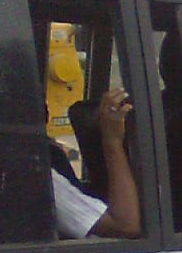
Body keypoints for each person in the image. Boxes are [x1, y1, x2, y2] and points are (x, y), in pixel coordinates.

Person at [51, 88, 141, 239]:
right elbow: (126, 226)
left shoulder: (51, 156)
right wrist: (112, 141)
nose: (46, 108)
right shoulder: (31, 172)